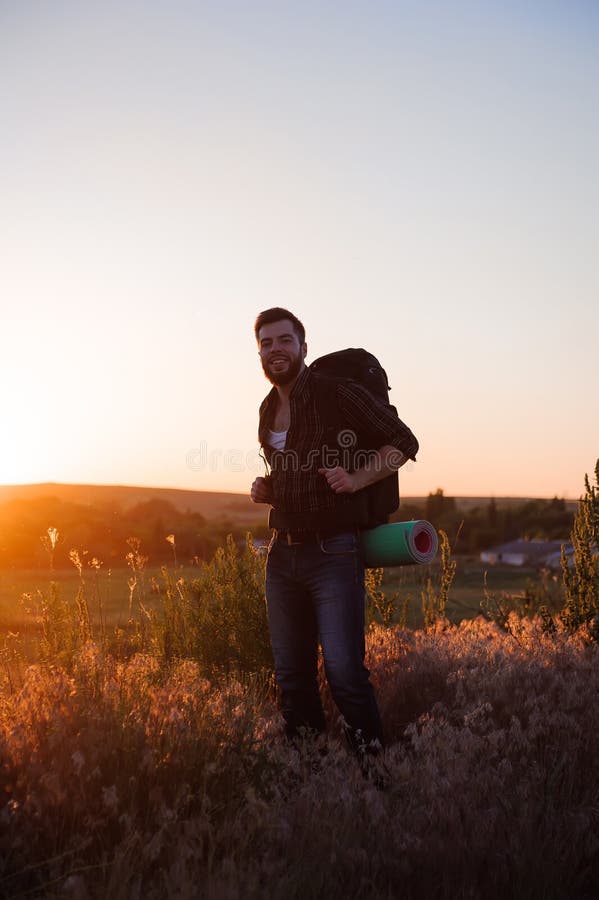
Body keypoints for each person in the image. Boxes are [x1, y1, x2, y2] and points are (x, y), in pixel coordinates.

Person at [251, 307, 419, 755]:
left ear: (303, 347)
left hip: (333, 554)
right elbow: (293, 472)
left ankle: (375, 776)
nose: (275, 350)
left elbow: (404, 442)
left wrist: (358, 478)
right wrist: (269, 488)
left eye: (284, 340)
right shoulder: (268, 409)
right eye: (266, 344)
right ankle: (310, 774)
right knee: (291, 676)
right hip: (281, 556)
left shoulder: (336, 393)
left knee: (345, 672)